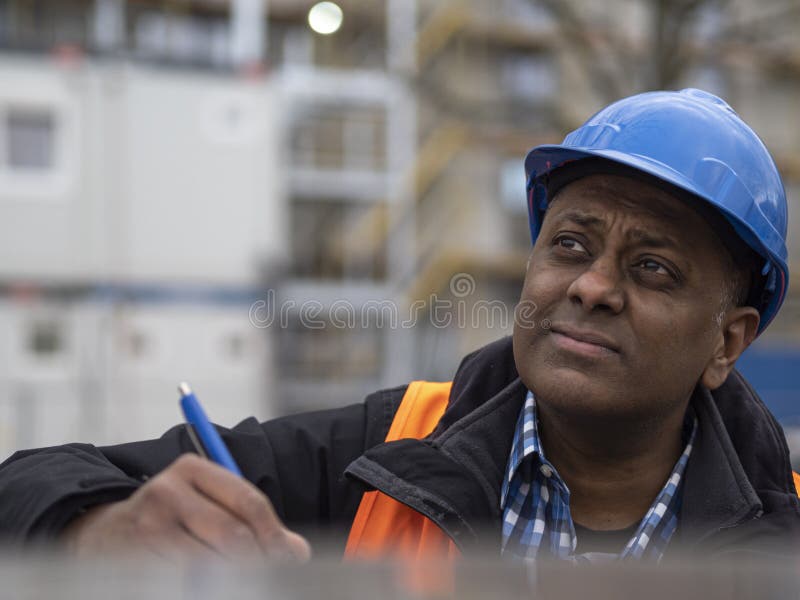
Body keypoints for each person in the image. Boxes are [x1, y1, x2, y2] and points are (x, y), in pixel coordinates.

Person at [0, 88, 798, 563]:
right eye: (570, 244)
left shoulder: (782, 530)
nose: (592, 286)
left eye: (651, 267)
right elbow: (26, 479)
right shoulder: (388, 451)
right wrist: (99, 526)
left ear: (727, 341)